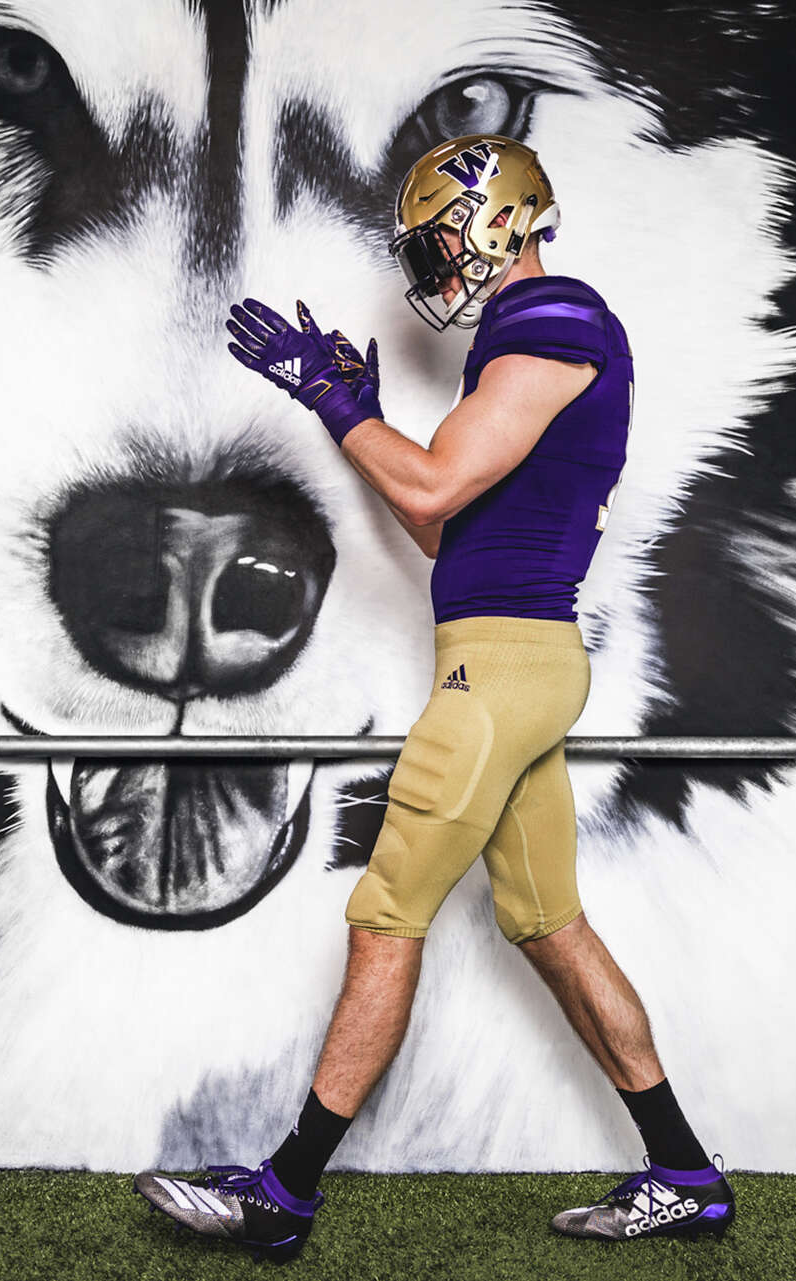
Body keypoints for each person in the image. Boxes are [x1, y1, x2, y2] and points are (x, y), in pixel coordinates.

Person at [133, 134, 734, 1261]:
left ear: (497, 216)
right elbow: (436, 519)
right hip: (514, 658)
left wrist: (336, 402)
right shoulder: (522, 343)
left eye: (441, 231)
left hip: (499, 670)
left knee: (384, 916)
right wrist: (347, 410)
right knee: (548, 925)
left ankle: (286, 1193)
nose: (430, 258)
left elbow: (437, 478)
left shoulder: (554, 321)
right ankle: (686, 1173)